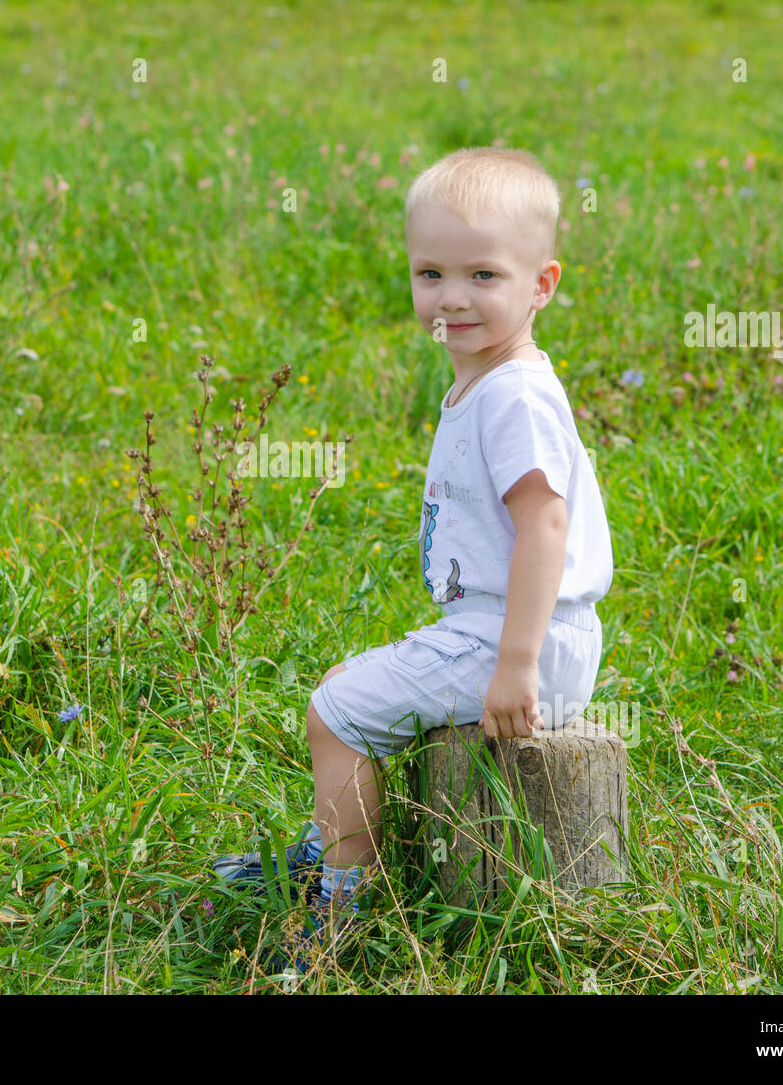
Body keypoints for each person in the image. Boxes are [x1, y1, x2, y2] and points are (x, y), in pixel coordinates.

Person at [211, 147, 614, 968]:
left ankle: (339, 901)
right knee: (354, 694)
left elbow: (545, 526)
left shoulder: (512, 395)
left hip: (523, 638)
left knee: (338, 709)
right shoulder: (488, 380)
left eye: (484, 276)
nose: (452, 297)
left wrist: (516, 662)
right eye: (430, 272)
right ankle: (336, 857)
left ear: (542, 284)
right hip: (502, 629)